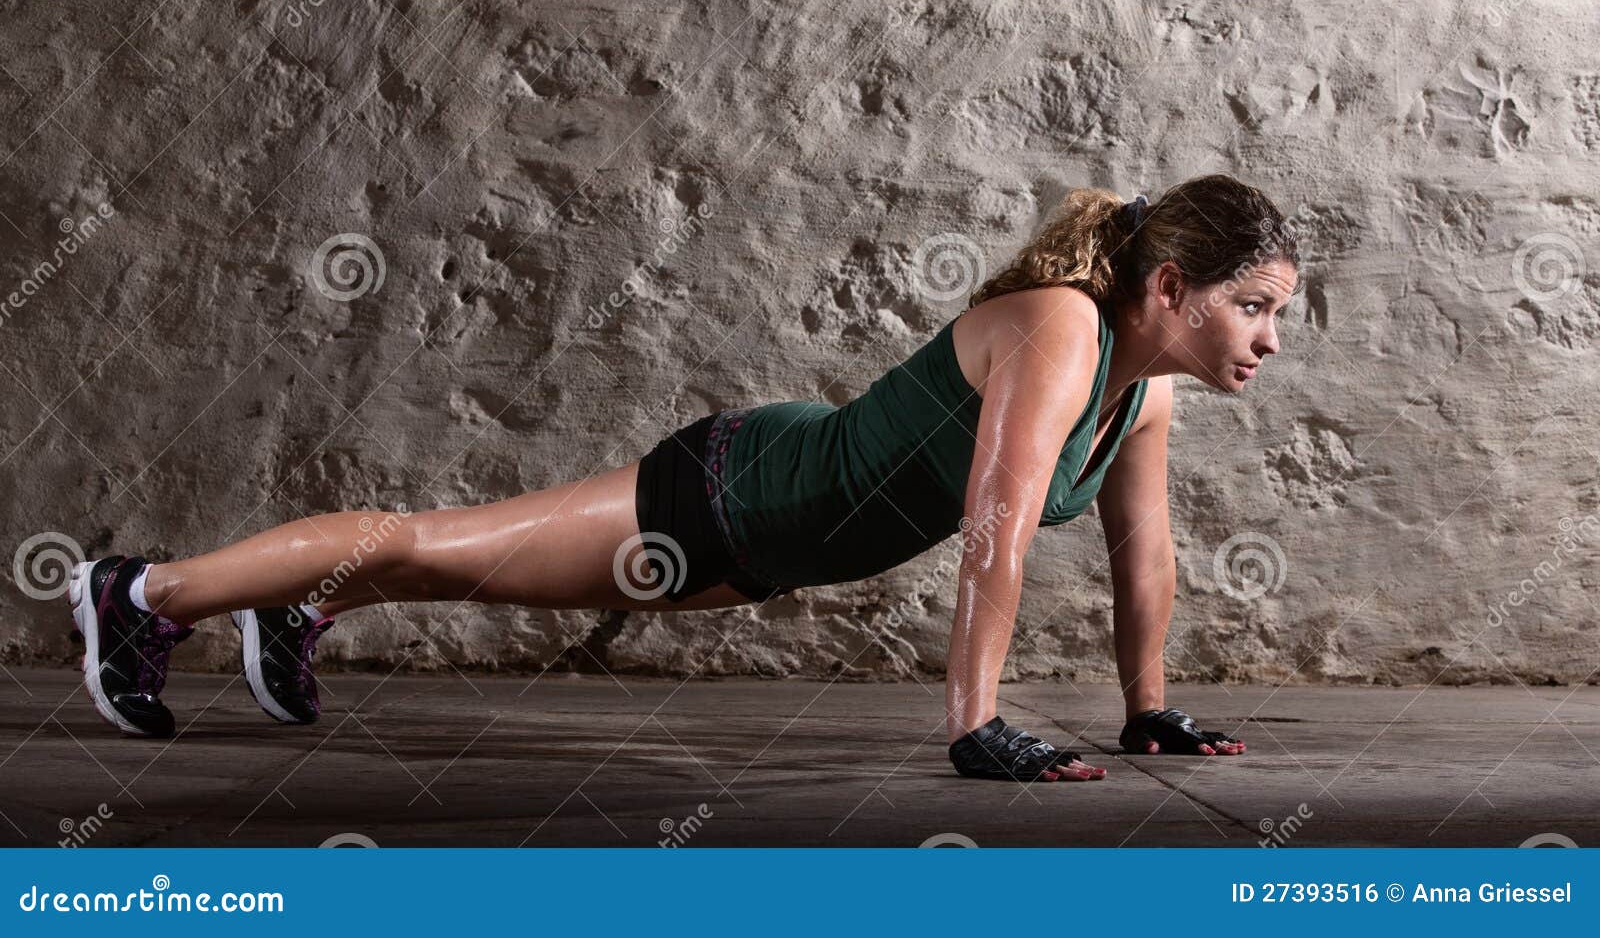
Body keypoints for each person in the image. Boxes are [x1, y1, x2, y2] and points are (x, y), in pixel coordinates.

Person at [66, 172, 1299, 786]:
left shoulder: (1142, 393)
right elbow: (996, 526)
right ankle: (139, 592)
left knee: (469, 574)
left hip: (763, 548)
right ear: (1167, 289)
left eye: (1277, 314)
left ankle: (304, 600)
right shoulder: (1061, 331)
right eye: (1251, 307)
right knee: (435, 542)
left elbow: (1146, 553)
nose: (1267, 338)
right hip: (730, 489)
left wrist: (1145, 704)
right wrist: (972, 724)